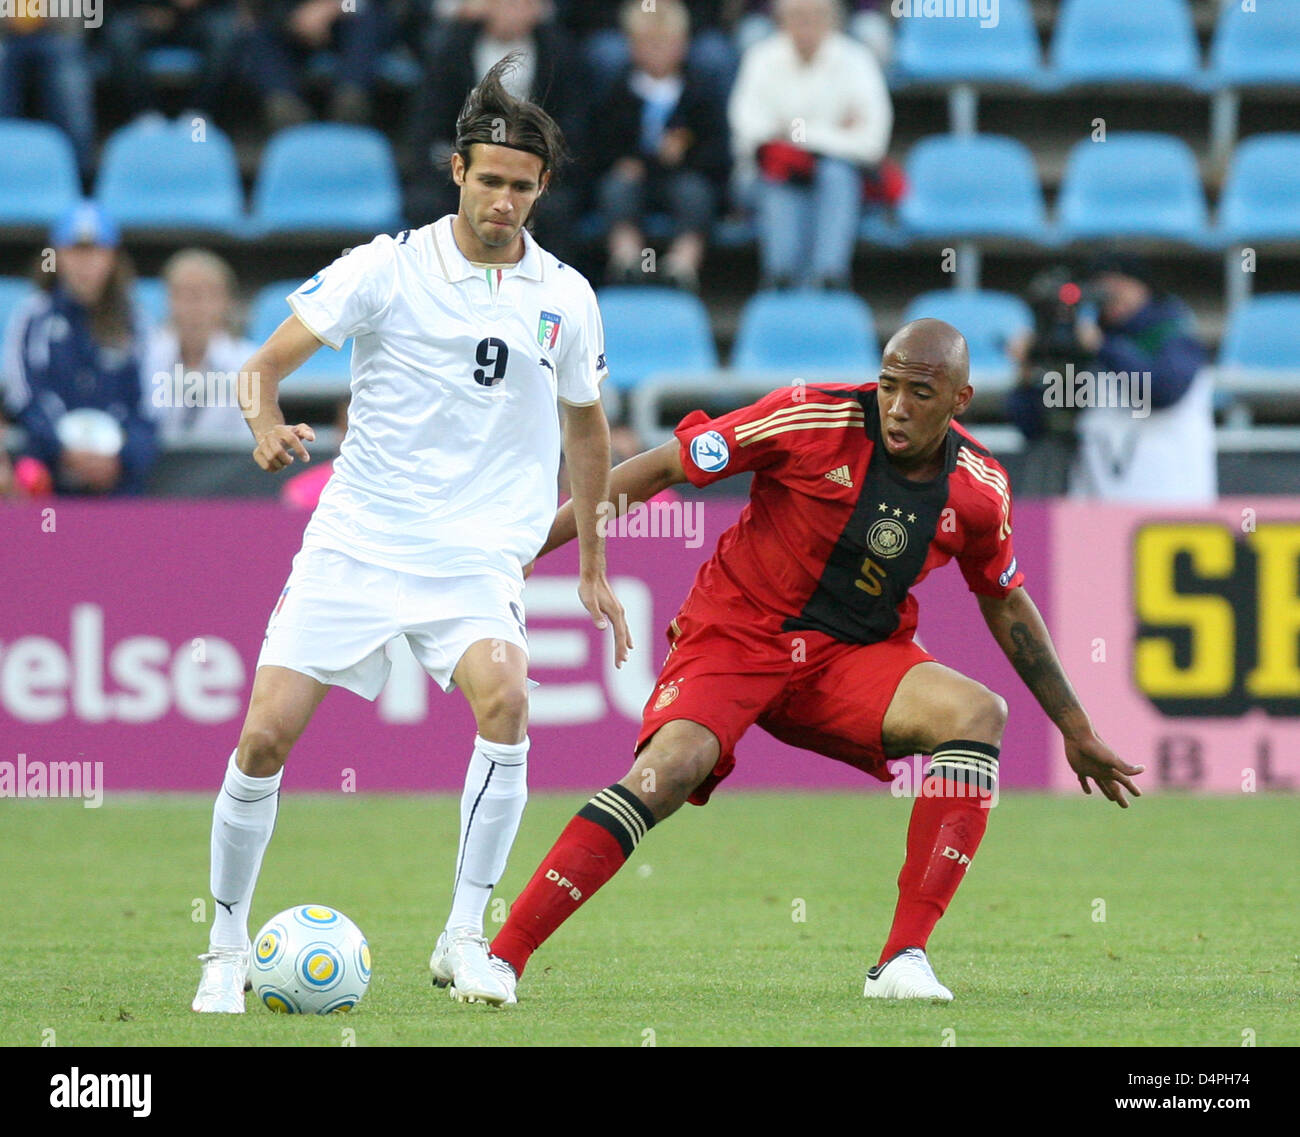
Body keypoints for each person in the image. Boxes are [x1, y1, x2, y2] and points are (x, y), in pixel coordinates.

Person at [484, 318, 1143, 1005]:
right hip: (735, 637)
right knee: (666, 770)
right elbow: (660, 467)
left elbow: (1006, 602)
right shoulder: (807, 417)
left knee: (977, 714)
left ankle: (901, 960)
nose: (896, 406)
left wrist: (1074, 724)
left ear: (960, 399)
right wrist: (530, 554)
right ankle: (503, 956)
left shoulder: (980, 489)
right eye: (888, 385)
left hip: (850, 660)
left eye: (920, 392)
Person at [191, 57, 631, 1013]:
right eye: (490, 181)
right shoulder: (386, 266)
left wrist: (593, 561)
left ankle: (466, 936)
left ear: (541, 188)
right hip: (358, 537)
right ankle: (223, 947)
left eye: (523, 186)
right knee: (264, 736)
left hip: (474, 557)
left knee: (506, 700)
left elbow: (586, 427)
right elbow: (262, 366)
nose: (505, 201)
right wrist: (266, 424)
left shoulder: (566, 295)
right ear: (459, 173)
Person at [1007, 253, 1215, 503]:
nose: (1110, 294)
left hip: (1172, 504)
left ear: (1144, 288)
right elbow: (1036, 426)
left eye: (1120, 284)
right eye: (1101, 285)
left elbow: (1161, 390)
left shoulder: (1171, 334)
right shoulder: (1087, 349)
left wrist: (1102, 347)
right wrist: (1028, 372)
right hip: (1100, 510)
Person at [406, 0, 586, 268]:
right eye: (503, 4)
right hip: (465, 163)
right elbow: (429, 119)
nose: (510, 13)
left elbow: (572, 121)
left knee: (556, 209)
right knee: (425, 202)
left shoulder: (558, 51)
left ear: (536, 11)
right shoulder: (454, 47)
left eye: (519, 5)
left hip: (534, 167)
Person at [728, 0, 893, 291]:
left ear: (832, 19)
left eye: (815, 16)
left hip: (836, 174)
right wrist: (833, 133)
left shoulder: (856, 60)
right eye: (797, 16)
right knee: (782, 176)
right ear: (781, 20)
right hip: (765, 177)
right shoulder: (760, 58)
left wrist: (794, 134)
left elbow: (872, 142)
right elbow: (750, 134)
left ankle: (829, 280)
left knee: (835, 174)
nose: (806, 24)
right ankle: (781, 279)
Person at [0, 202, 158, 496]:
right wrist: (62, 450)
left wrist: (120, 457)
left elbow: (149, 403)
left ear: (112, 258)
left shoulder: (137, 322)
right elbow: (23, 396)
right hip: (49, 477)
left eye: (96, 250)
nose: (86, 263)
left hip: (119, 482)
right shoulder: (32, 317)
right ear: (57, 256)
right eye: (76, 251)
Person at [590, 0, 730, 291]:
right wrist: (626, 160)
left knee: (696, 194)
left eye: (665, 43)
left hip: (683, 174)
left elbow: (716, 147)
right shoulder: (617, 90)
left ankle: (683, 263)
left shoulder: (698, 89)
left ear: (682, 45)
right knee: (616, 188)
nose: (657, 51)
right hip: (635, 174)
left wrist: (686, 153)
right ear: (632, 46)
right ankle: (627, 258)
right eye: (648, 43)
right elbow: (601, 142)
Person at [144, 249, 257, 445]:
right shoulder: (145, 355)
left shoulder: (249, 361)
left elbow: (250, 439)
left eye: (206, 294)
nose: (195, 305)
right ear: (168, 299)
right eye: (184, 294)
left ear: (226, 301)